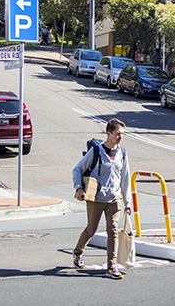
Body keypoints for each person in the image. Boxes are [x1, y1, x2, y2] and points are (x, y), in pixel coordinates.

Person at [71, 118, 132, 279]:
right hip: (96, 198)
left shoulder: (122, 153)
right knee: (91, 229)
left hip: (114, 198)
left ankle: (111, 266)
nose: (120, 137)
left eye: (122, 134)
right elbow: (77, 169)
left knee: (113, 230)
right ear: (108, 133)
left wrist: (127, 202)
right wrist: (79, 188)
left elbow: (125, 178)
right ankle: (78, 251)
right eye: (118, 134)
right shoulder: (96, 151)